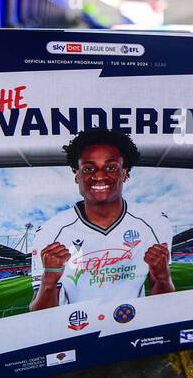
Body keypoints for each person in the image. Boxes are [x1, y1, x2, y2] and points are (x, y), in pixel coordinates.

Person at [29, 128, 175, 312]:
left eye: (111, 167)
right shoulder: (50, 233)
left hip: (131, 328)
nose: (99, 176)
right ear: (77, 175)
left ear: (125, 173)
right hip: (77, 333)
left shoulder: (155, 223)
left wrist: (163, 277)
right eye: (89, 168)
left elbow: (165, 305)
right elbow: (38, 315)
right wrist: (49, 282)